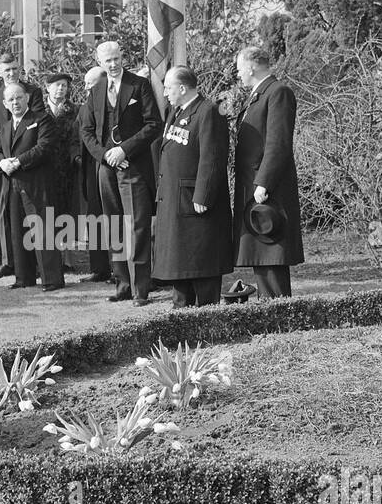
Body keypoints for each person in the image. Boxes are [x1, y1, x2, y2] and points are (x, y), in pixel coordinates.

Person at [78, 42, 162, 306]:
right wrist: (106, 155)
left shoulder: (139, 85)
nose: (112, 64)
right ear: (99, 61)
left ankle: (140, 289)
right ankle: (122, 284)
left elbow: (153, 125)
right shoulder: (97, 90)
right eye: (107, 61)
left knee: (136, 226)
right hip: (106, 170)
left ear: (123, 57)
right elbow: (87, 131)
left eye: (116, 59)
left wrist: (124, 151)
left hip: (134, 167)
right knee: (113, 224)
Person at [152, 67, 233, 307]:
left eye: (168, 87)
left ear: (182, 88)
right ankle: (181, 319)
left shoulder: (209, 111)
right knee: (180, 268)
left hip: (195, 203)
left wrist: (203, 196)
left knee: (202, 267)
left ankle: (207, 320)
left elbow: (213, 157)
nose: (165, 93)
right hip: (175, 203)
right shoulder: (175, 112)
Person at [232, 46, 304, 298]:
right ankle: (268, 307)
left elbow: (278, 143)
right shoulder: (258, 95)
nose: (238, 73)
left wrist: (264, 183)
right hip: (253, 185)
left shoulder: (277, 92)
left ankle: (277, 311)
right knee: (260, 253)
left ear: (252, 66)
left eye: (239, 67)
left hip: (267, 189)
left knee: (271, 251)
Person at [0, 82, 63, 291]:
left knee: (42, 232)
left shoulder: (41, 119)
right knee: (18, 231)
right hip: (13, 186)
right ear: (5, 104)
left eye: (19, 98)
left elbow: (44, 147)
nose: (15, 102)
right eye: (11, 100)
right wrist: (1, 162)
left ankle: (52, 279)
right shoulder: (6, 127)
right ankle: (23, 277)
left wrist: (17, 162)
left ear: (27, 98)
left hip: (37, 185)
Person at [0, 50, 43, 280]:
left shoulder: (33, 92)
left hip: (29, 164)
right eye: (6, 70)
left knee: (32, 215)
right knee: (4, 214)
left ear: (20, 69)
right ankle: (8, 262)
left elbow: (38, 123)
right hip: (3, 164)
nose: (11, 73)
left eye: (14, 69)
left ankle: (35, 263)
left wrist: (15, 136)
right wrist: (5, 136)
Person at [75, 66, 113, 284]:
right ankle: (99, 268)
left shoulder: (112, 102)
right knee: (94, 218)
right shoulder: (86, 105)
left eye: (91, 82)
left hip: (108, 164)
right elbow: (79, 134)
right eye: (86, 83)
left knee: (115, 217)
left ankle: (120, 269)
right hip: (90, 167)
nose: (87, 87)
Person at [43, 73, 83, 273]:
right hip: (44, 167)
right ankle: (49, 257)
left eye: (65, 86)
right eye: (57, 85)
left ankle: (66, 258)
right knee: (46, 212)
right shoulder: (38, 110)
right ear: (47, 87)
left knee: (65, 212)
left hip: (67, 168)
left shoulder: (75, 110)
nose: (61, 89)